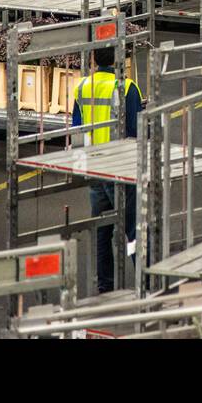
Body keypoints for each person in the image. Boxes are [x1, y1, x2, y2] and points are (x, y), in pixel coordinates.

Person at [72, 47, 143, 293]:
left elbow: (77, 131)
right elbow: (136, 130)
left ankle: (105, 286)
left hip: (95, 169)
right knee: (133, 230)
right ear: (119, 59)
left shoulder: (82, 87)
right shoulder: (126, 87)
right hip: (120, 169)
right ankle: (147, 283)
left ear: (92, 59)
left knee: (102, 232)